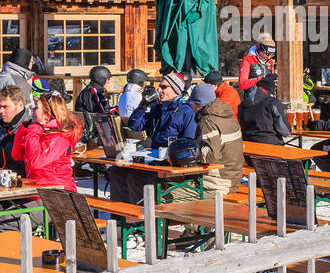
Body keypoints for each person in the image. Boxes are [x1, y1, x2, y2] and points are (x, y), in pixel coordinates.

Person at [111, 72, 198, 204]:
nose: (159, 90)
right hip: (153, 157)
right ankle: (120, 218)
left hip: (172, 163)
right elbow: (135, 125)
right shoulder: (158, 108)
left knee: (135, 178)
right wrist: (142, 105)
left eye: (164, 87)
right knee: (117, 173)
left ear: (175, 90)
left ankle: (142, 219)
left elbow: (188, 143)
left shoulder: (186, 112)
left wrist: (171, 157)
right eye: (159, 87)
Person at [13, 89, 82, 191]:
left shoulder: (59, 137)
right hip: (37, 190)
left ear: (47, 115)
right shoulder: (40, 132)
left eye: (36, 107)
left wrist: (33, 129)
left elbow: (35, 163)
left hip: (57, 195)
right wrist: (25, 129)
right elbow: (17, 155)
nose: (32, 109)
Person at [190, 82, 243, 198]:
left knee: (165, 195)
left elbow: (211, 156)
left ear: (199, 104)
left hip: (218, 184)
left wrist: (192, 152)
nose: (191, 107)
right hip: (233, 178)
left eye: (192, 103)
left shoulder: (207, 120)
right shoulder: (228, 116)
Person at [0, 84, 31, 175]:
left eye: (5, 107)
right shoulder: (1, 126)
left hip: (21, 182)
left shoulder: (29, 129)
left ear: (20, 105)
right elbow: (0, 159)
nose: (0, 111)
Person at [238, 72, 292, 146]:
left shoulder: (243, 103)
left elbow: (240, 124)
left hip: (248, 145)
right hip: (271, 146)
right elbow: (285, 131)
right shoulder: (273, 103)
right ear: (271, 88)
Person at [73, 65, 113, 142]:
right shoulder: (93, 92)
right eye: (107, 79)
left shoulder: (87, 91)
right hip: (93, 132)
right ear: (101, 79)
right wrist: (116, 109)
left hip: (88, 129)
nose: (109, 81)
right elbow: (103, 113)